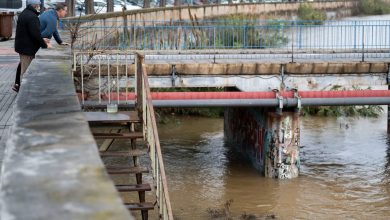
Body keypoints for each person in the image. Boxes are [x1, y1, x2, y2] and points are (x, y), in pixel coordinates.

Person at [12, 0, 50, 92]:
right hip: (27, 49)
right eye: (38, 5)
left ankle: (18, 86)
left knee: (22, 68)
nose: (39, 7)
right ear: (35, 5)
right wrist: (44, 44)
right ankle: (23, 93)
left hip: (23, 47)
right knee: (25, 73)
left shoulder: (25, 13)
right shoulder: (32, 17)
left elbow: (31, 33)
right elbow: (35, 34)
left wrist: (42, 40)